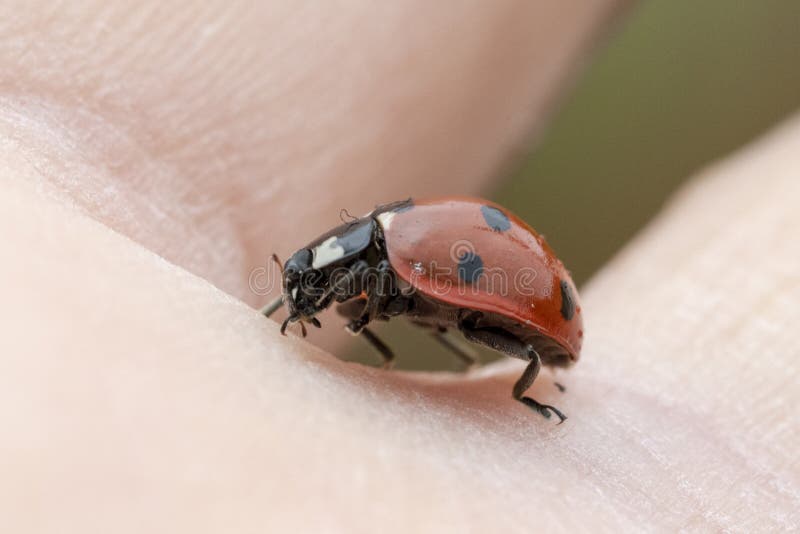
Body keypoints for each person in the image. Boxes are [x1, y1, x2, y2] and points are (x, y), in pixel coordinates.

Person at [1, 1, 797, 531]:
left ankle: (529, 388)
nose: (315, 297)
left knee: (497, 331)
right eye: (310, 287)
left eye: (312, 285)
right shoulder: (382, 264)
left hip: (538, 317)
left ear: (344, 266)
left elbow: (444, 298)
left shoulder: (406, 253)